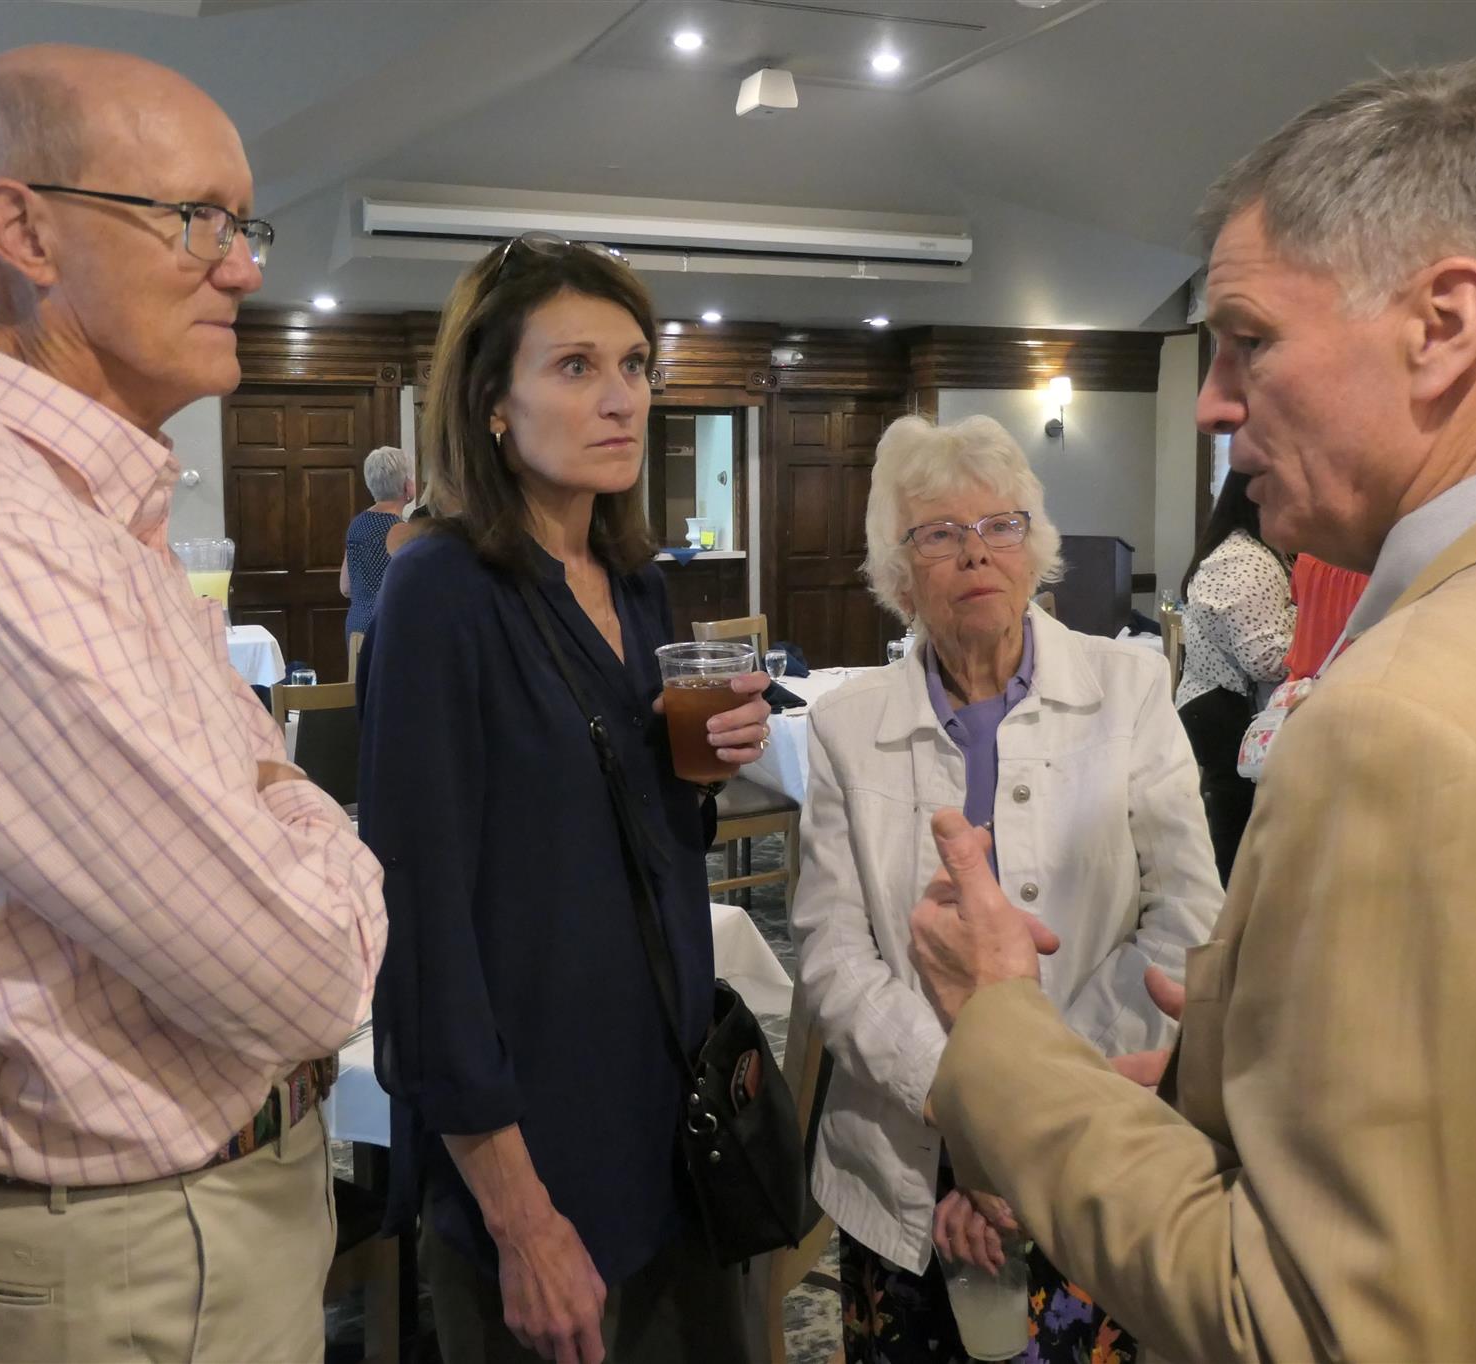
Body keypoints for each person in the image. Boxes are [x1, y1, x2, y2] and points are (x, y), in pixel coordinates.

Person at [908, 54, 1476, 1363]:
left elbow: (1309, 1330)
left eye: (1250, 339)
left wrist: (1007, 1036)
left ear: (1445, 322)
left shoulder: (1413, 725)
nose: (1214, 400)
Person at [0, 45, 385, 1364]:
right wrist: (300, 807)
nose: (245, 264)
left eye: (243, 220)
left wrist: (276, 802)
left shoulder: (77, 509)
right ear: (24, 227)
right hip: (141, 1249)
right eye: (194, 218)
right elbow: (305, 980)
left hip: (192, 1219)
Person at [356, 234, 772, 1364]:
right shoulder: (440, 592)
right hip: (538, 1148)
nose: (621, 398)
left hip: (667, 1125)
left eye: (636, 365)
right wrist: (519, 1214)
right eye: (576, 366)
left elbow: (643, 843)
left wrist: (705, 769)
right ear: (493, 401)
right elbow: (420, 928)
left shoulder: (639, 586)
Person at [790, 414, 1222, 1364]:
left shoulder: (1131, 687)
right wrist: (966, 1111)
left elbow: (1188, 919)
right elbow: (830, 956)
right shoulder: (847, 728)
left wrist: (1035, 1117)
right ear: (900, 577)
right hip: (905, 1166)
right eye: (939, 533)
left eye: (1002, 524)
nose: (975, 551)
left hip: (1093, 1145)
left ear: (1036, 547)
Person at [1173, 468, 1294, 881]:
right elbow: (1264, 659)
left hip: (1220, 702)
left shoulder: (1247, 552)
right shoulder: (1244, 560)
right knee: (1234, 833)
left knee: (1235, 824)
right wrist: (1307, 620)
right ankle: (1226, 927)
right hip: (1220, 707)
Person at [340, 444, 414, 637]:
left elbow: (345, 587)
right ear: (406, 486)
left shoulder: (357, 524)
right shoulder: (403, 532)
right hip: (390, 627)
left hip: (356, 626)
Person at [1280, 552, 1369, 682]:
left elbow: (1298, 599)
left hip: (1300, 687)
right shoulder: (1382, 572)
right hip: (1348, 683)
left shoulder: (1306, 557)